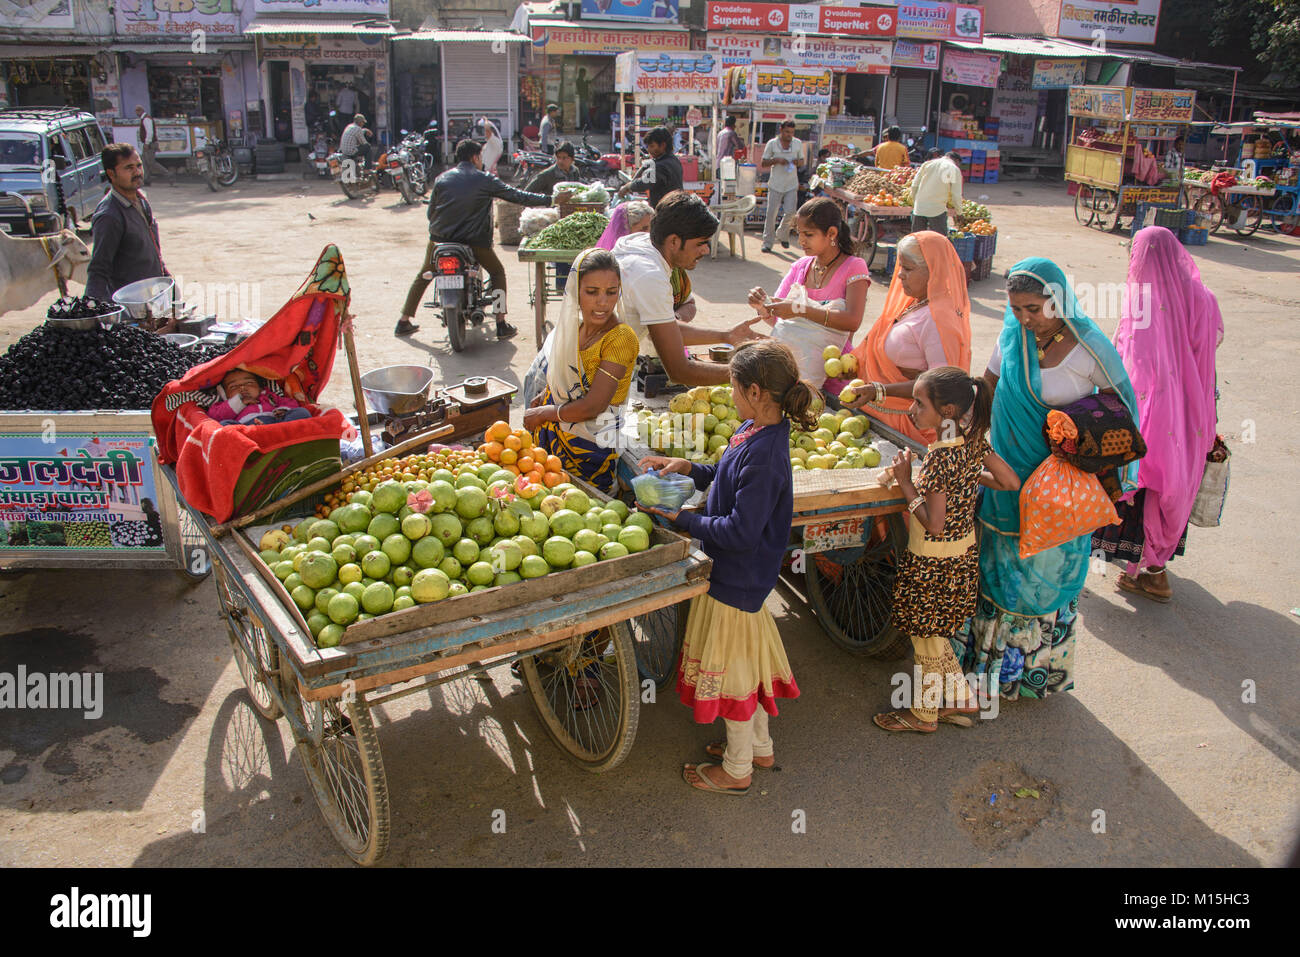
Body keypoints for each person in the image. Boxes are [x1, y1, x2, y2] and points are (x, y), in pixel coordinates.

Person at [952, 260, 1139, 703]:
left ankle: (1031, 673)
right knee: (998, 564)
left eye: (1033, 308)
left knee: (1044, 570)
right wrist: (957, 432)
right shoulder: (1012, 338)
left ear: (1058, 300)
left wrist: (1077, 432)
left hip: (1059, 487)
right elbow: (988, 388)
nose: (1025, 319)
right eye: (1016, 309)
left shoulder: (1088, 347)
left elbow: (1121, 410)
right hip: (1005, 477)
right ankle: (986, 671)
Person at [637, 340, 807, 795]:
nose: (728, 394)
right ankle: (759, 746)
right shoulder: (753, 431)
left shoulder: (766, 454)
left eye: (732, 385)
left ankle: (736, 770)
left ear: (754, 391)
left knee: (732, 678)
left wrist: (684, 520)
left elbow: (740, 531)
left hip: (738, 577)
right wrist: (689, 468)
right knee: (745, 668)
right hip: (739, 577)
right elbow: (724, 474)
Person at [872, 367, 1020, 733]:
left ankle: (922, 715)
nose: (911, 411)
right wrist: (967, 476)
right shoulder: (971, 442)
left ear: (948, 411)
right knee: (937, 633)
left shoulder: (939, 458)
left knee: (925, 637)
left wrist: (907, 484)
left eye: (919, 405)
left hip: (932, 560)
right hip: (962, 556)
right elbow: (1008, 480)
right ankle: (960, 699)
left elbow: (933, 522)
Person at [1092, 226, 1223, 603]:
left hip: (1151, 413)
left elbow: (1133, 367)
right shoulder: (1204, 297)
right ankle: (1155, 569)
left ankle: (1146, 572)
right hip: (1192, 411)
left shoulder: (1143, 302)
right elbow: (1209, 352)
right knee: (1172, 482)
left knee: (1141, 487)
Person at [395, 138, 550, 339]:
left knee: (424, 274)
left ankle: (403, 321)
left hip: (439, 240)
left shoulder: (442, 179)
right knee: (497, 272)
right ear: (475, 157)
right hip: (474, 242)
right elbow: (517, 196)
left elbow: (430, 213)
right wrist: (549, 200)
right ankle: (501, 322)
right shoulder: (485, 179)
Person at [613, 190, 762, 386]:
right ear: (674, 241)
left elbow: (666, 329)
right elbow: (679, 372)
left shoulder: (644, 245)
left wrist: (726, 335)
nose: (706, 250)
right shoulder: (649, 274)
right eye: (701, 243)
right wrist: (753, 374)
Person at [522, 249, 637, 493]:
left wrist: (544, 412)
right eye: (591, 292)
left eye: (611, 292)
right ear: (575, 291)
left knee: (587, 509)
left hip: (591, 450)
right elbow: (562, 378)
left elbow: (593, 406)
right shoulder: (574, 329)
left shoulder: (620, 338)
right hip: (554, 444)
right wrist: (545, 395)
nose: (603, 303)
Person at [841, 231, 972, 443]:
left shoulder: (940, 321)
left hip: (911, 430)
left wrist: (880, 390)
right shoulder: (914, 303)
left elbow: (942, 386)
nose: (900, 274)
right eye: (900, 267)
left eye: (908, 268)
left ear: (934, 272)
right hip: (881, 420)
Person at [746, 197, 870, 388]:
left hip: (835, 372)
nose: (801, 241)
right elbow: (781, 320)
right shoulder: (800, 267)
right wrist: (763, 306)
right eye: (799, 233)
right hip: (795, 371)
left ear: (831, 233)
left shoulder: (854, 267)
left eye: (809, 235)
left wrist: (800, 310)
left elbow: (853, 320)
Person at [85, 144, 167, 301]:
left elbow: (152, 250)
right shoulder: (109, 215)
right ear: (111, 173)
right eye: (129, 168)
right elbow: (98, 269)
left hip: (154, 298)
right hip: (129, 308)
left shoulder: (141, 200)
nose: (137, 172)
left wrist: (167, 277)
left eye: (139, 165)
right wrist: (91, 309)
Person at [207, 369, 312, 427]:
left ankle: (280, 433)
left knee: (302, 412)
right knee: (224, 426)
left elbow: (291, 402)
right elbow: (214, 415)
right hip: (247, 428)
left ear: (260, 386)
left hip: (277, 424)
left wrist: (283, 410)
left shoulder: (269, 396)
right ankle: (255, 436)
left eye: (249, 383)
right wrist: (239, 403)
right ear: (225, 394)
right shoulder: (226, 404)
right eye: (234, 387)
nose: (243, 388)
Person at [761, 120, 803, 253]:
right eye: (787, 132)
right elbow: (763, 163)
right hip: (775, 184)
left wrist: (797, 162)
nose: (789, 135)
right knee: (771, 213)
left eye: (791, 132)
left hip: (791, 183)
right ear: (781, 130)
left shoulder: (797, 143)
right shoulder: (772, 144)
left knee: (791, 212)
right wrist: (777, 160)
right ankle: (767, 242)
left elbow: (802, 161)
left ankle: (782, 234)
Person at [618, 127, 682, 208]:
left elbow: (644, 183)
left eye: (652, 146)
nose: (649, 150)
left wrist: (628, 186)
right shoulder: (673, 160)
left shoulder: (662, 166)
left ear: (663, 145)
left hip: (667, 211)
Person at [909, 150, 963, 234]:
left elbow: (914, 186)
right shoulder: (953, 168)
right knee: (939, 240)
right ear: (956, 161)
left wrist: (915, 203)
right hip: (937, 210)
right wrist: (959, 212)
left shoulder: (927, 164)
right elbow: (956, 195)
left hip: (919, 208)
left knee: (917, 240)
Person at [134, 105, 173, 187]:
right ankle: (146, 180)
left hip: (150, 144)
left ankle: (168, 174)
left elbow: (150, 132)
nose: (136, 113)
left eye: (137, 111)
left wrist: (147, 143)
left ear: (141, 111)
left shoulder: (146, 119)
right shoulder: (145, 119)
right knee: (144, 162)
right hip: (149, 143)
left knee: (151, 162)